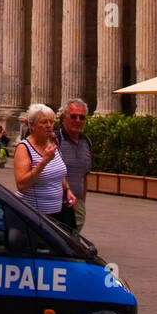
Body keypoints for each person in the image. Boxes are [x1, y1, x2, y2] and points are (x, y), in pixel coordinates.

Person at [13, 103, 76, 228]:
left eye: (51, 122)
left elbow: (58, 171)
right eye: (44, 122)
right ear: (32, 125)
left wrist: (67, 190)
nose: (49, 126)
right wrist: (43, 162)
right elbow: (21, 185)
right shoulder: (23, 148)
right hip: (34, 216)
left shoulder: (53, 141)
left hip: (57, 213)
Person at [55, 98, 93, 233]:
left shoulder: (86, 141)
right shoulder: (55, 139)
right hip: (57, 202)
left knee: (73, 237)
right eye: (73, 116)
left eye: (82, 117)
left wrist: (82, 200)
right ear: (64, 117)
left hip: (77, 203)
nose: (78, 120)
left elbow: (85, 175)